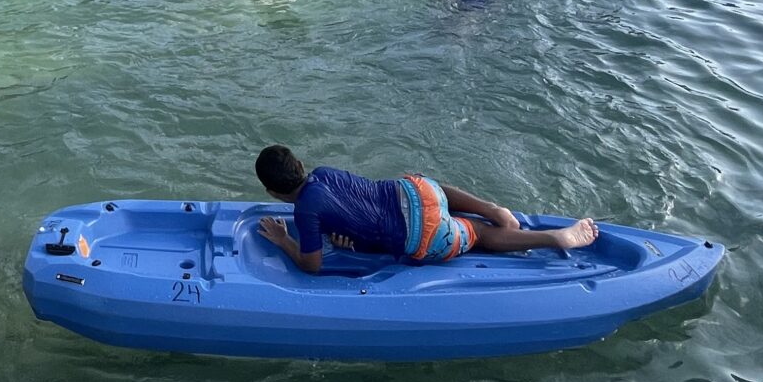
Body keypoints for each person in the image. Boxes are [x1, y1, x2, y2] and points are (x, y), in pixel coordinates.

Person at [253, 145, 597, 270]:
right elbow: (353, 209)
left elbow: (311, 265)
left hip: (425, 233)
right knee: (421, 189)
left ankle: (554, 238)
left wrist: (285, 240)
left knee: (478, 234)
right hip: (419, 191)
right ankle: (493, 208)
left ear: (271, 192)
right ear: (300, 164)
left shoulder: (304, 211)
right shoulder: (324, 174)